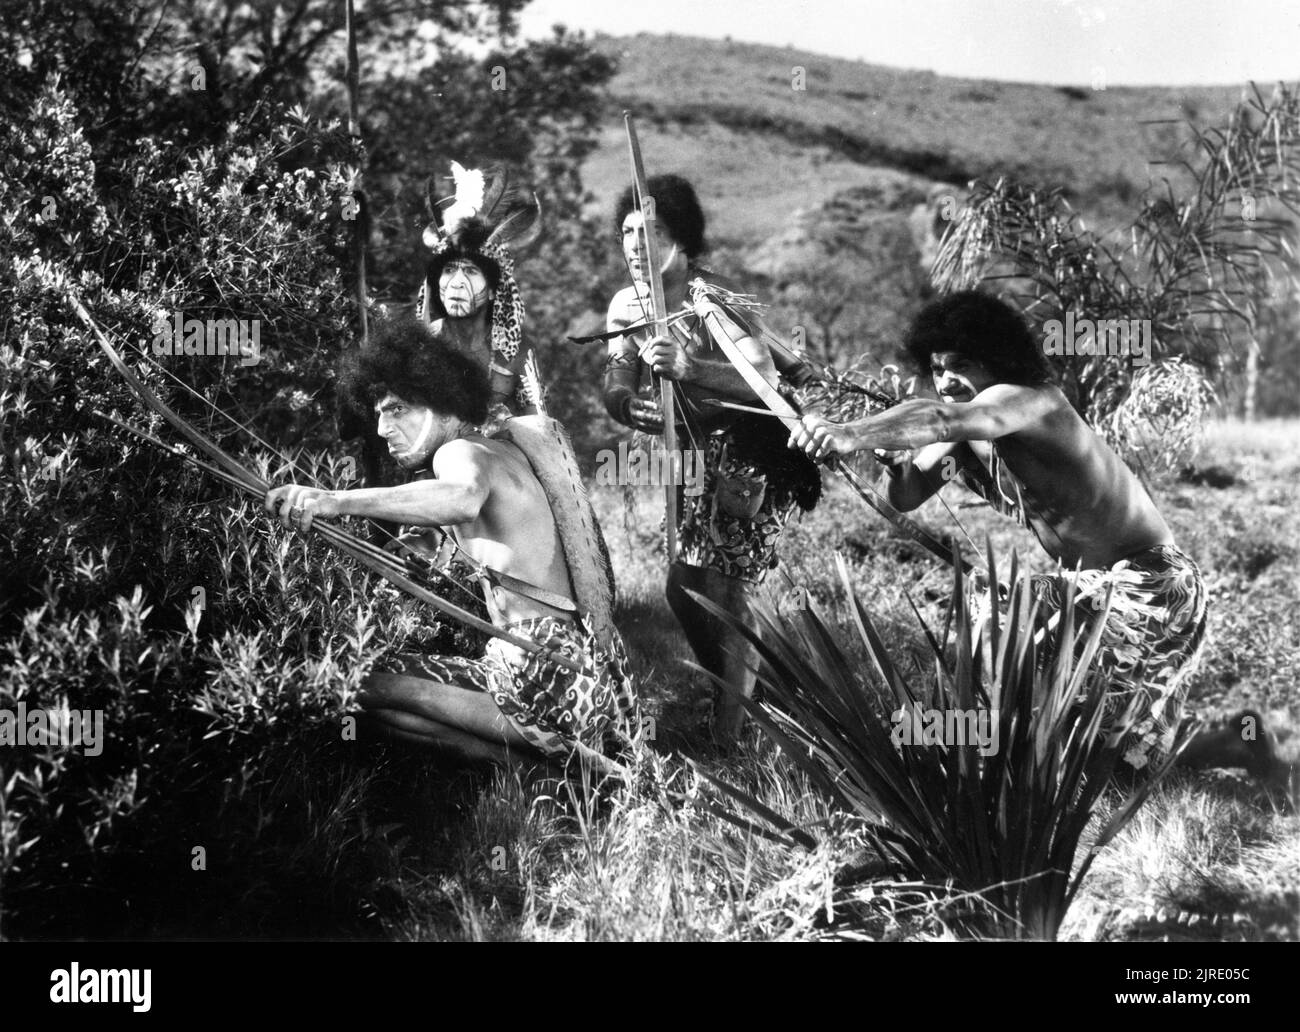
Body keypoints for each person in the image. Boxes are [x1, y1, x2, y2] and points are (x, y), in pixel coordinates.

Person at [789, 289, 1217, 773]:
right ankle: (1012, 763)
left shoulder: (1025, 401)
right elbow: (906, 495)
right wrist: (889, 461)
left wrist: (851, 432)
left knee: (1009, 618)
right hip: (1094, 590)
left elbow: (941, 418)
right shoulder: (969, 434)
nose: (947, 380)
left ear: (998, 361)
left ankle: (997, 760)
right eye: (937, 369)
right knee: (1100, 744)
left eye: (962, 364)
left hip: (1154, 584)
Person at [266, 315, 634, 763]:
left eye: (398, 409)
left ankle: (576, 770)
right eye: (380, 412)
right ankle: (552, 776)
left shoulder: (460, 452)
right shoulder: (498, 452)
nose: (383, 429)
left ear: (444, 404)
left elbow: (462, 497)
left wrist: (333, 500)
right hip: (576, 676)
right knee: (381, 698)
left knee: (362, 684)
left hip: (545, 673)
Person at [602, 173, 820, 744]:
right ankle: (738, 692)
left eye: (647, 231)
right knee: (682, 589)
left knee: (728, 591)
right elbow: (616, 380)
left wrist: (692, 369)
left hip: (749, 449)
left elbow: (764, 379)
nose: (632, 244)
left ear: (680, 240)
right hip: (689, 453)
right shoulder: (628, 304)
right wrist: (629, 406)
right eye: (626, 231)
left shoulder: (713, 297)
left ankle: (729, 736)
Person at [416, 161, 539, 420]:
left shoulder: (516, 354)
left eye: (471, 272)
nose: (457, 282)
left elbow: (538, 426)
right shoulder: (420, 347)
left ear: (494, 291)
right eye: (449, 271)